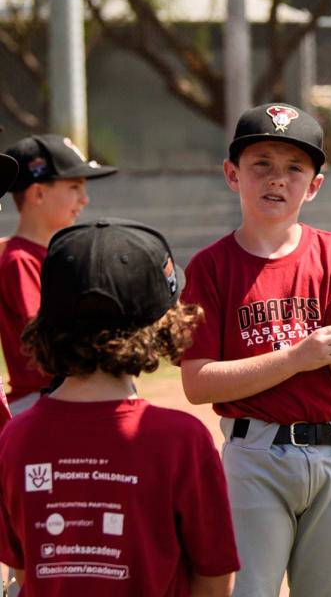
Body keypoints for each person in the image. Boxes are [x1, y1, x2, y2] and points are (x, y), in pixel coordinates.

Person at [177, 104, 331, 597]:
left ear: (315, 185)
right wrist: (294, 358)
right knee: (251, 590)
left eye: (294, 168)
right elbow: (197, 383)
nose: (277, 179)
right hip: (255, 452)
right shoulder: (211, 267)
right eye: (261, 162)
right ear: (232, 173)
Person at [0, 219, 240, 596]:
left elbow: (26, 571)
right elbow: (215, 577)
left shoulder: (15, 436)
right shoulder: (181, 439)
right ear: (161, 324)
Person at [0, 134, 116, 415]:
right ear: (38, 193)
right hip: (41, 401)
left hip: (63, 396)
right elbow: (51, 341)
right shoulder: (20, 260)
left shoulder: (56, 255)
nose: (84, 199)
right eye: (75, 187)